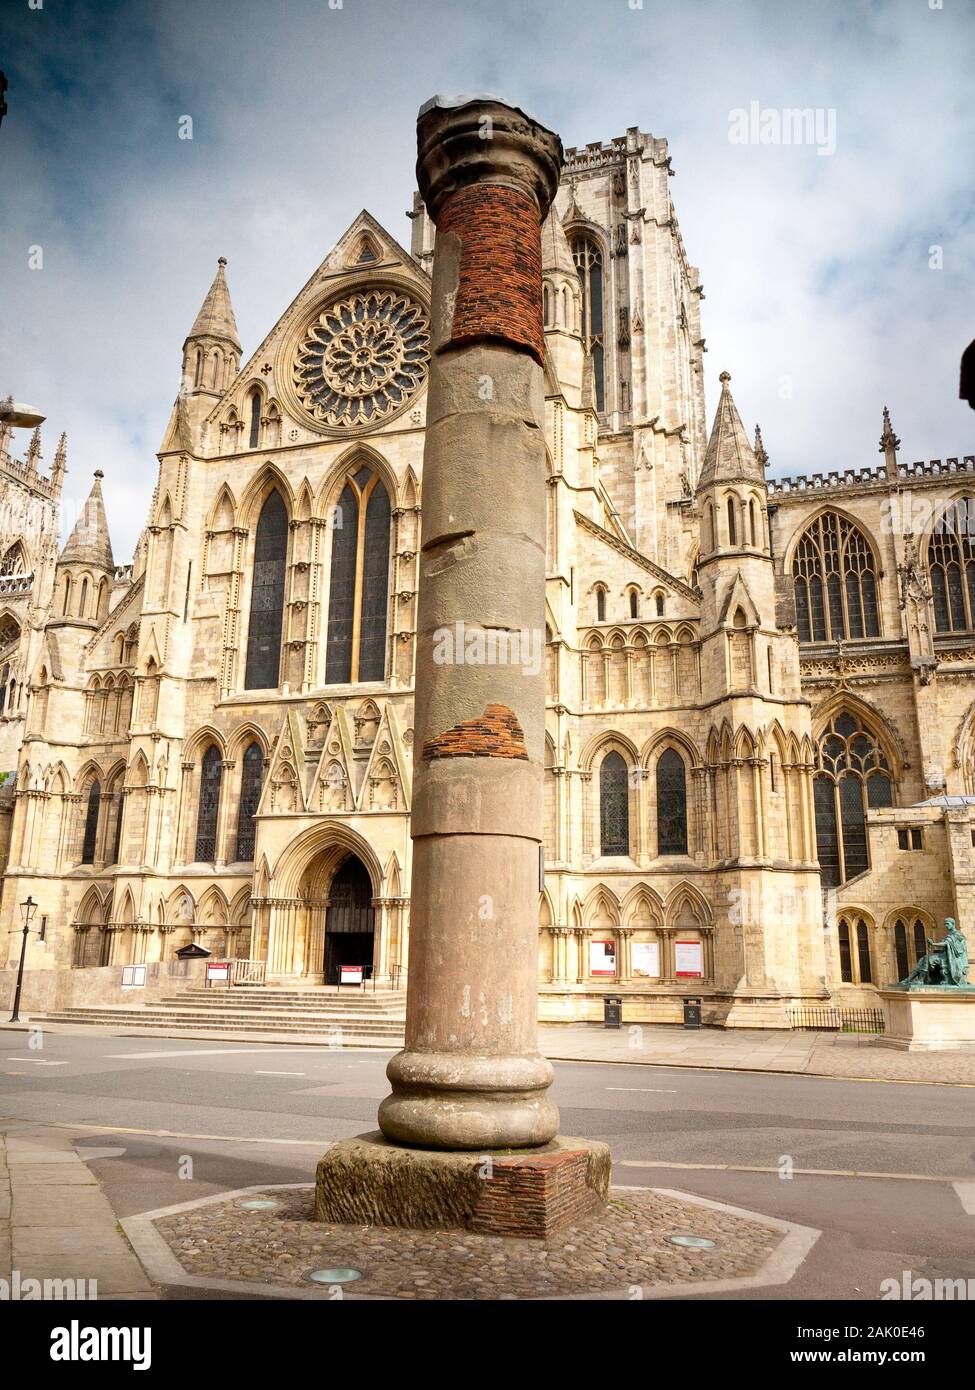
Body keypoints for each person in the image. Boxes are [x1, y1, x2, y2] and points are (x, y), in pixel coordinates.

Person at [901, 918, 969, 987]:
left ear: (953, 924)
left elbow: (946, 944)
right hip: (945, 955)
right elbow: (944, 945)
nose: (946, 925)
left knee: (927, 958)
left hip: (952, 957)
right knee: (922, 959)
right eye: (945, 924)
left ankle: (920, 980)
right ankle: (909, 979)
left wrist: (933, 944)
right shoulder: (950, 934)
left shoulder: (957, 934)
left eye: (947, 924)